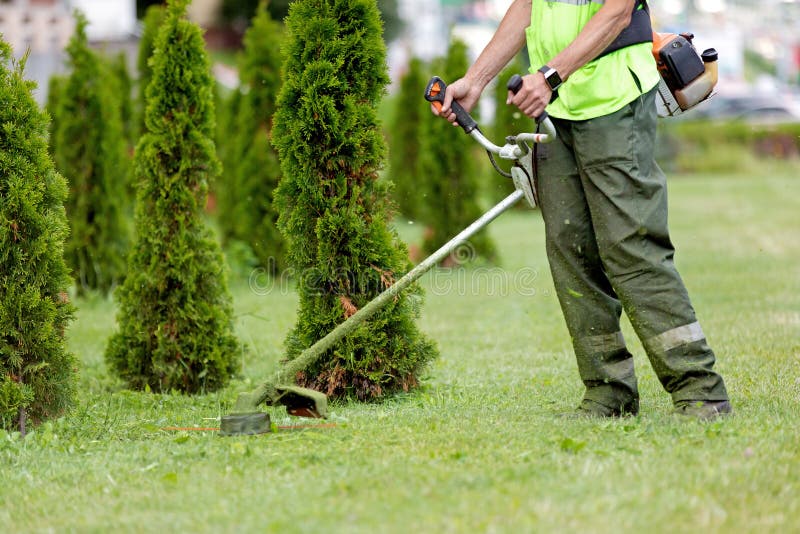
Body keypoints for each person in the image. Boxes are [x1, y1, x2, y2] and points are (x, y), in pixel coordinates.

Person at [432, 0, 731, 419]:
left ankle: (700, 390)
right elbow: (528, 6)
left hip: (614, 102)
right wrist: (476, 80)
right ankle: (609, 391)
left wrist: (550, 76)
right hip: (557, 110)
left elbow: (617, 12)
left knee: (632, 245)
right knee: (571, 248)